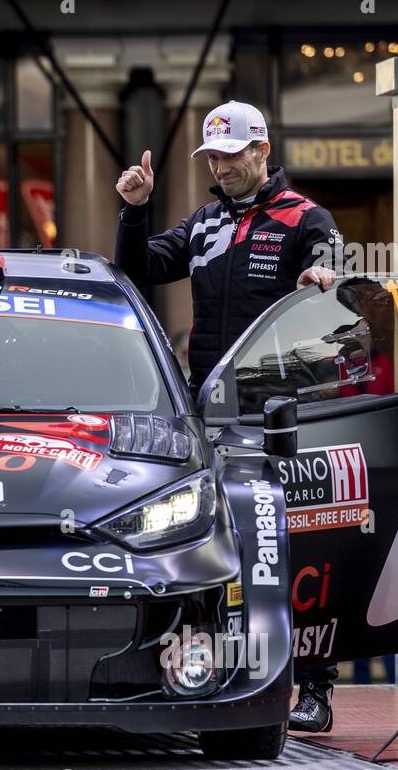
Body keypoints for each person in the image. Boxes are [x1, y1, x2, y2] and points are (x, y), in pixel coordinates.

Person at [114, 100, 343, 733]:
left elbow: (331, 264)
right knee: (213, 543)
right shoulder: (205, 222)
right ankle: (207, 675)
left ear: (262, 151)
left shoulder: (305, 217)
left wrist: (323, 269)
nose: (221, 167)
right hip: (207, 414)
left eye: (232, 154)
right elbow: (139, 271)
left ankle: (316, 687)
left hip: (282, 414)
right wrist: (133, 211)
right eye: (212, 157)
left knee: (297, 545)